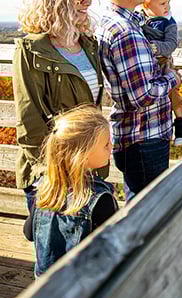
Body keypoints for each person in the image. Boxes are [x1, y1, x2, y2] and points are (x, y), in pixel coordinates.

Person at [13, 0, 107, 212]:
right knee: (55, 249)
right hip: (54, 176)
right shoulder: (30, 50)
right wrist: (52, 175)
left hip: (87, 167)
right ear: (57, 0)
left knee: (90, 247)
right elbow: (29, 121)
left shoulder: (88, 45)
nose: (87, 2)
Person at [96, 0, 182, 201]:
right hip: (145, 137)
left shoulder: (113, 22)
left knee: (140, 210)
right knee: (146, 215)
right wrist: (172, 79)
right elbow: (142, 96)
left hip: (135, 137)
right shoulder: (126, 32)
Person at [23, 105, 118, 277]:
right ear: (82, 154)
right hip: (82, 286)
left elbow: (29, 233)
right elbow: (113, 247)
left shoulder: (44, 190)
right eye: (106, 144)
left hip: (44, 286)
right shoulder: (100, 199)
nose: (111, 147)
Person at [140, 0, 182, 145]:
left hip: (163, 62)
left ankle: (181, 122)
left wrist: (154, 47)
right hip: (146, 65)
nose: (166, 6)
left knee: (172, 91)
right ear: (147, 4)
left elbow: (171, 44)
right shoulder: (139, 18)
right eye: (162, 3)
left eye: (168, 2)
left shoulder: (168, 22)